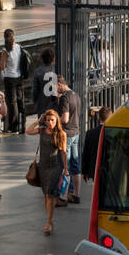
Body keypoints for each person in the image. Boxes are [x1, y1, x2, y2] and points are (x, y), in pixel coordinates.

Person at [26, 108, 69, 236]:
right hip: (42, 167)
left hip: (54, 167)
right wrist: (37, 121)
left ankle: (48, 221)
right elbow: (27, 131)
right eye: (48, 120)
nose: (50, 122)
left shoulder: (61, 134)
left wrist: (66, 169)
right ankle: (50, 218)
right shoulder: (41, 130)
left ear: (57, 120)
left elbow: (63, 152)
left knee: (50, 195)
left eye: (52, 120)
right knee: (46, 195)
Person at [56, 76, 83, 205]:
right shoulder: (76, 95)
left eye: (55, 86)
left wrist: (56, 120)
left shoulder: (64, 97)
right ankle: (76, 194)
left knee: (65, 166)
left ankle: (63, 196)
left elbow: (65, 118)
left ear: (59, 84)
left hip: (66, 134)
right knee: (75, 164)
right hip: (76, 132)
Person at [0, 28, 27, 133]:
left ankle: (13, 127)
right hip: (19, 77)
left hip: (9, 78)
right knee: (20, 101)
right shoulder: (19, 47)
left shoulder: (5, 50)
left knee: (12, 103)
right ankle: (21, 126)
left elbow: (2, 66)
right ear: (13, 36)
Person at [79, 107, 111, 183]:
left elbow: (86, 153)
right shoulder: (113, 133)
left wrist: (84, 171)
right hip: (110, 170)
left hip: (94, 169)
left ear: (99, 118)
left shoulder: (90, 133)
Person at [30, 48, 58, 116]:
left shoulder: (37, 71)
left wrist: (35, 101)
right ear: (53, 58)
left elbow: (35, 90)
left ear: (42, 59)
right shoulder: (57, 69)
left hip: (42, 104)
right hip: (55, 103)